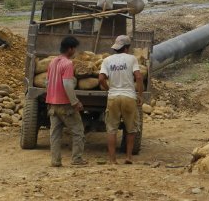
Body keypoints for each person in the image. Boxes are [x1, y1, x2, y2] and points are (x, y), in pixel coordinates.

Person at [98, 35, 144, 164]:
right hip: (129, 97)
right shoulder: (132, 59)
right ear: (127, 48)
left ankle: (112, 160)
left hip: (113, 97)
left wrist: (109, 88)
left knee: (111, 129)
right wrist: (140, 95)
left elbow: (101, 79)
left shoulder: (107, 60)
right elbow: (139, 77)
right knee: (131, 128)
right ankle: (128, 157)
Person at [46, 35, 87, 167]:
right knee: (78, 131)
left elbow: (47, 82)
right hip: (65, 104)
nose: (74, 51)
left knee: (55, 134)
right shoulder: (68, 63)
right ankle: (77, 159)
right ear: (70, 49)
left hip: (52, 104)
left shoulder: (52, 62)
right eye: (74, 48)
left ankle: (55, 160)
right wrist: (75, 102)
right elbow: (68, 84)